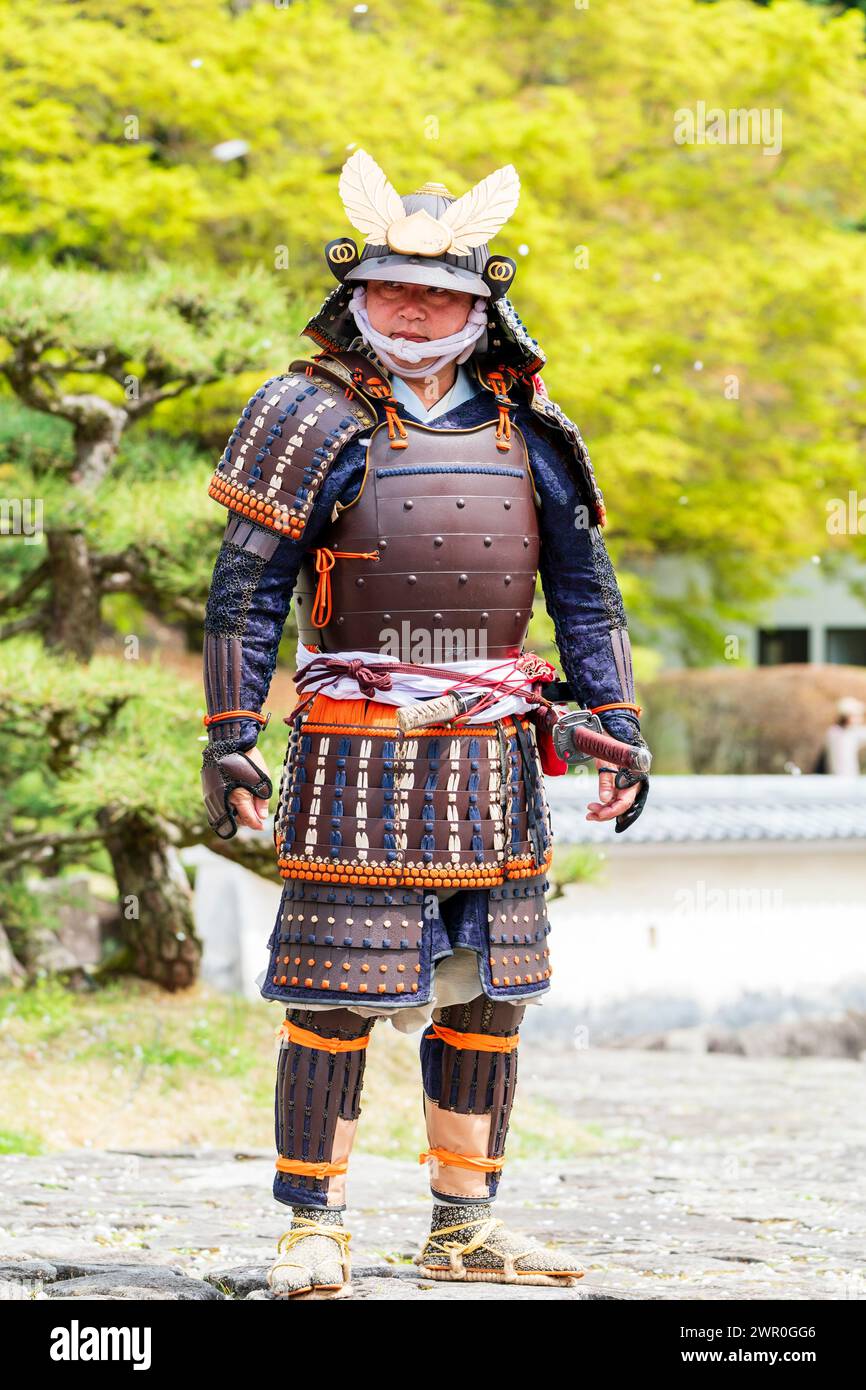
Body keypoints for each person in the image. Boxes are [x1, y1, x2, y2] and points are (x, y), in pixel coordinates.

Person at [200, 149, 650, 1297]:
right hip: (355, 742)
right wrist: (229, 733)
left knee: (491, 988)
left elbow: (585, 592)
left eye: (441, 294)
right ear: (357, 293)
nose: (416, 310)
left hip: (494, 748)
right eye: (396, 289)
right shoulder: (302, 413)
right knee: (336, 986)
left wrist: (616, 717)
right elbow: (245, 591)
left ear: (480, 304)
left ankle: (463, 1227)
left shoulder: (531, 425)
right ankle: (312, 1223)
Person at [818, 696, 866, 776]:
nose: (861, 718)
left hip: (836, 780)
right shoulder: (850, 733)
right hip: (845, 780)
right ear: (849, 717)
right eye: (857, 715)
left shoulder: (832, 732)